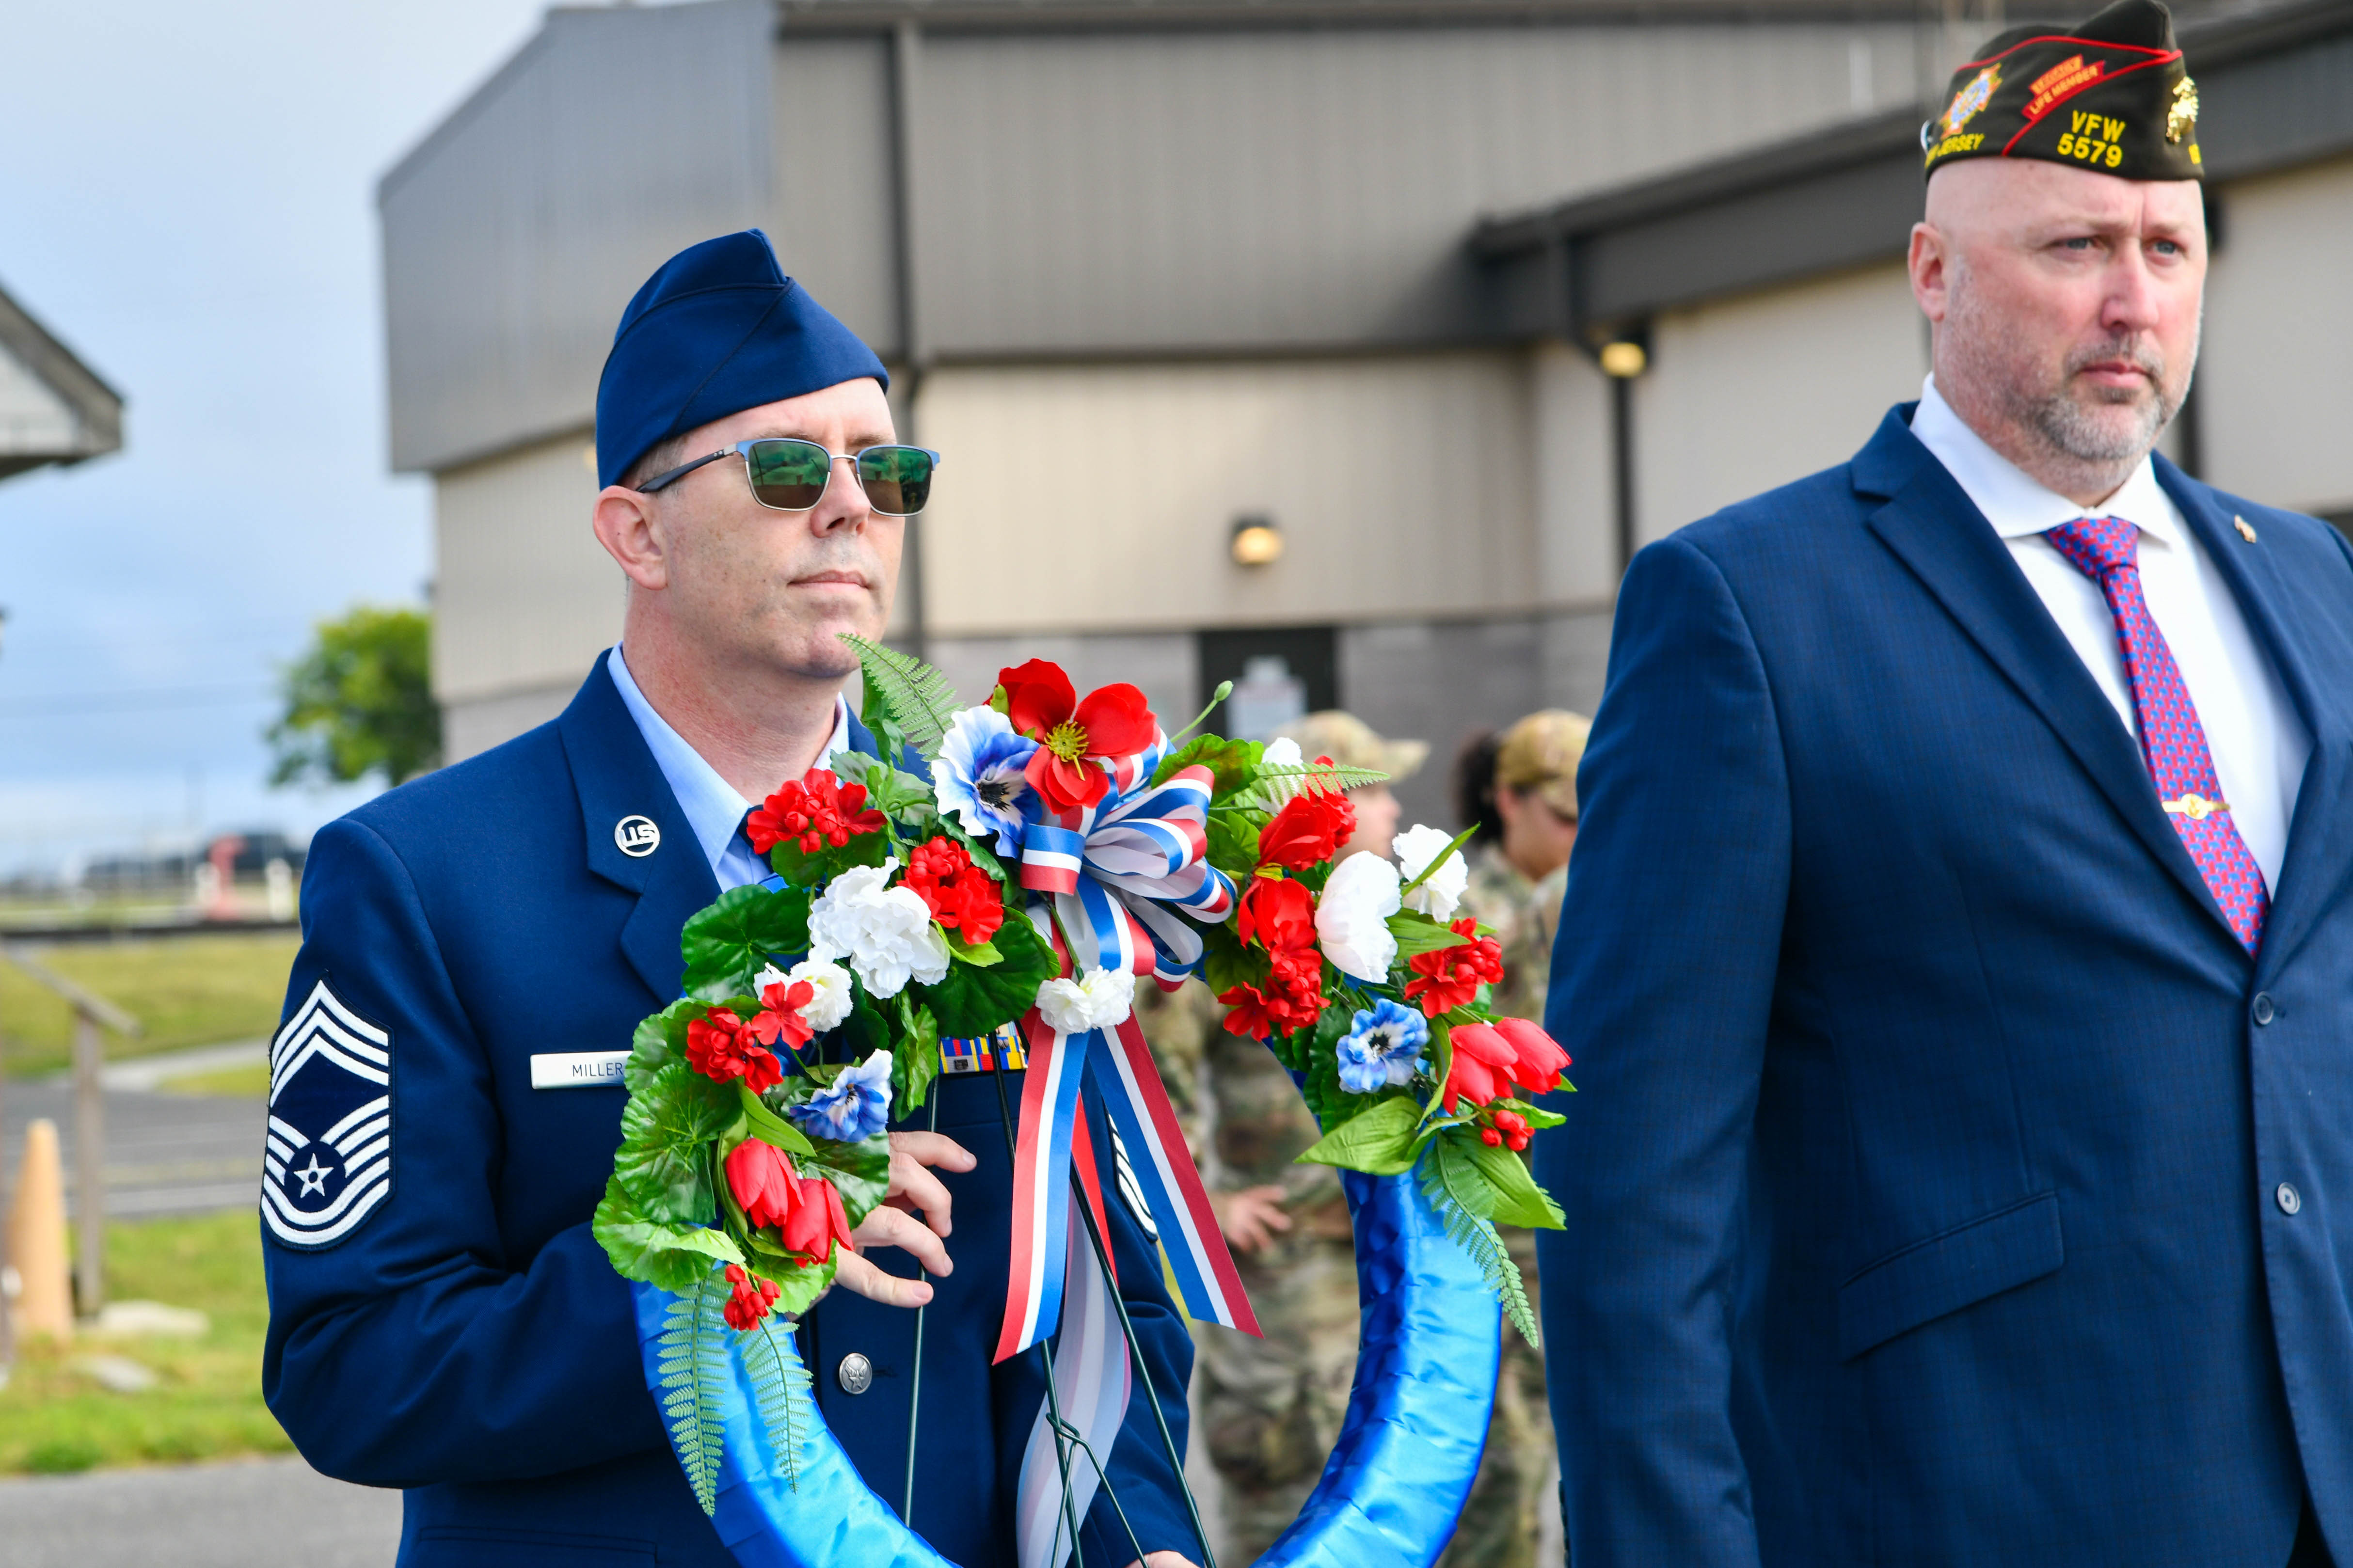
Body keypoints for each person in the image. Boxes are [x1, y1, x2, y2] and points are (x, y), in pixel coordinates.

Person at [1540, 2, 2353, 1562]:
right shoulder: (1748, 608)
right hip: (1966, 1500)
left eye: (2167, 250)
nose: (2130, 300)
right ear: (1932, 271)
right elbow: (1632, 1188)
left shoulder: (2309, 577)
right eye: (2072, 246)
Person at [261, 230, 1200, 1568]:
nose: (850, 507)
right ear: (635, 533)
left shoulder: (1003, 858)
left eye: (885, 471)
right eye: (785, 468)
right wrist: (730, 1247)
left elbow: (1098, 1314)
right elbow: (354, 1366)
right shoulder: (426, 876)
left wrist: (1130, 1544)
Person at [1135, 709, 1423, 1562]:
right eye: (1376, 793)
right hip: (1284, 1282)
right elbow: (1155, 1077)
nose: (1393, 810)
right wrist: (1202, 1201)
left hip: (1368, 1264)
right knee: (1288, 1508)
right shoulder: (1234, 927)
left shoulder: (1375, 934)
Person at [1454, 710, 1589, 1024]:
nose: (1584, 832)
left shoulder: (1605, 900)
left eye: (1595, 818)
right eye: (1567, 817)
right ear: (1510, 801)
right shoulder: (1460, 915)